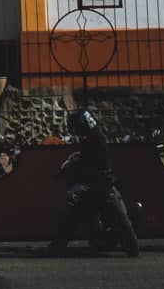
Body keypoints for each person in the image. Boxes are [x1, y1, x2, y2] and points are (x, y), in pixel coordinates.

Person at [47, 108, 139, 256]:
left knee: (70, 204)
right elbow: (80, 159)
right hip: (100, 183)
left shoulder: (94, 140)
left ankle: (59, 244)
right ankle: (60, 244)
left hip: (99, 184)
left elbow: (85, 162)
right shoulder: (94, 138)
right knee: (72, 205)